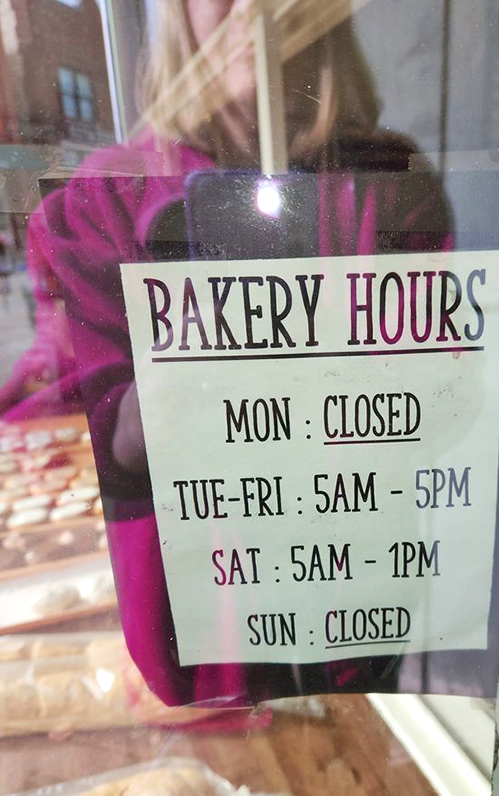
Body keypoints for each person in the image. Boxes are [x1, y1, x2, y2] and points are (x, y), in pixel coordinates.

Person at [22, 0, 452, 706]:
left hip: (356, 610)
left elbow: (443, 404)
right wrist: (152, 402)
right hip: (196, 647)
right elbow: (53, 434)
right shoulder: (100, 202)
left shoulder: (394, 186)